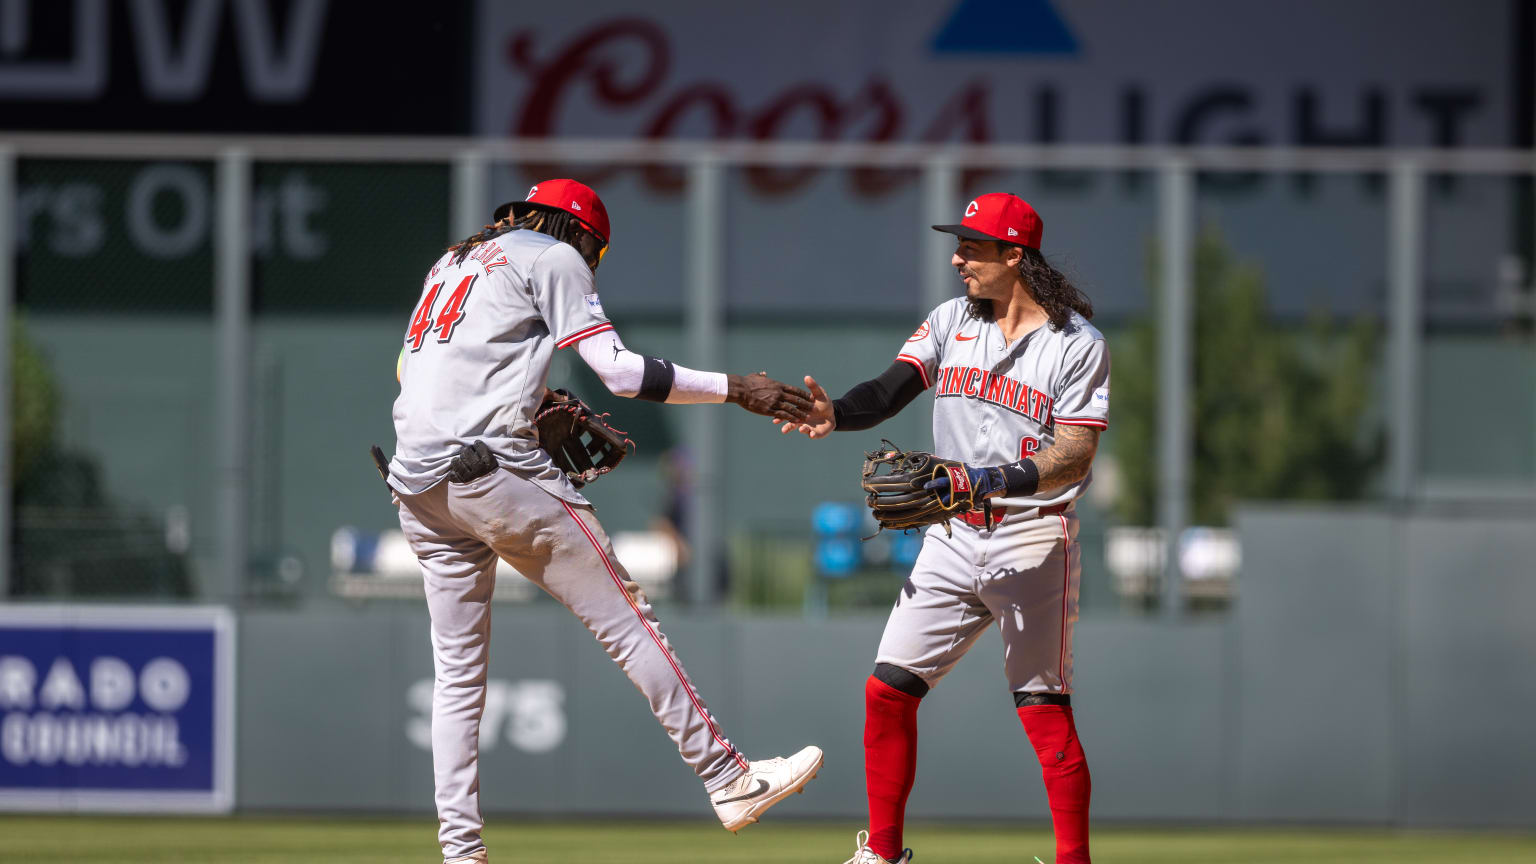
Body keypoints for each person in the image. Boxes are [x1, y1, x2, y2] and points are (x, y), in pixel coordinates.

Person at [385, 179, 824, 864]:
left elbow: (410, 371)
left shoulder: (452, 263)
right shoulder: (553, 257)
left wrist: (517, 400)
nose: (590, 266)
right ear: (581, 235)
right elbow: (617, 373)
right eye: (595, 253)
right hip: (494, 475)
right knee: (629, 623)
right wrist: (737, 389)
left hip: (415, 484)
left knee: (458, 676)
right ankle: (727, 777)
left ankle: (461, 855)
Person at [780, 193, 1107, 864]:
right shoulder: (952, 319)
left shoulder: (1076, 343)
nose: (958, 257)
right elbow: (892, 387)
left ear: (1014, 255)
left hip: (1034, 538)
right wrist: (836, 413)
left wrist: (990, 479)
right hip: (952, 535)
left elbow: (1072, 451)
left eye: (973, 246)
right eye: (958, 243)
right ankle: (884, 854)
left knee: (1043, 710)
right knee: (887, 691)